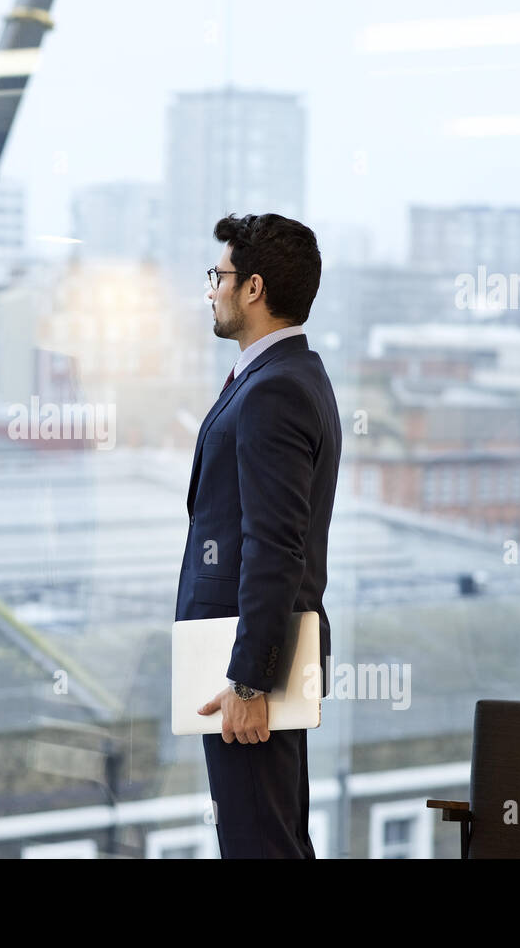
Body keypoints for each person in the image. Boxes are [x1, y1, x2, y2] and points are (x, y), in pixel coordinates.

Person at [175, 212, 341, 858]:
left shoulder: (276, 390)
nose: (211, 289)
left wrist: (249, 682)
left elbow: (274, 546)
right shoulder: (289, 376)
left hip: (248, 669)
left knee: (260, 847)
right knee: (272, 840)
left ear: (253, 288)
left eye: (218, 275)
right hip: (251, 657)